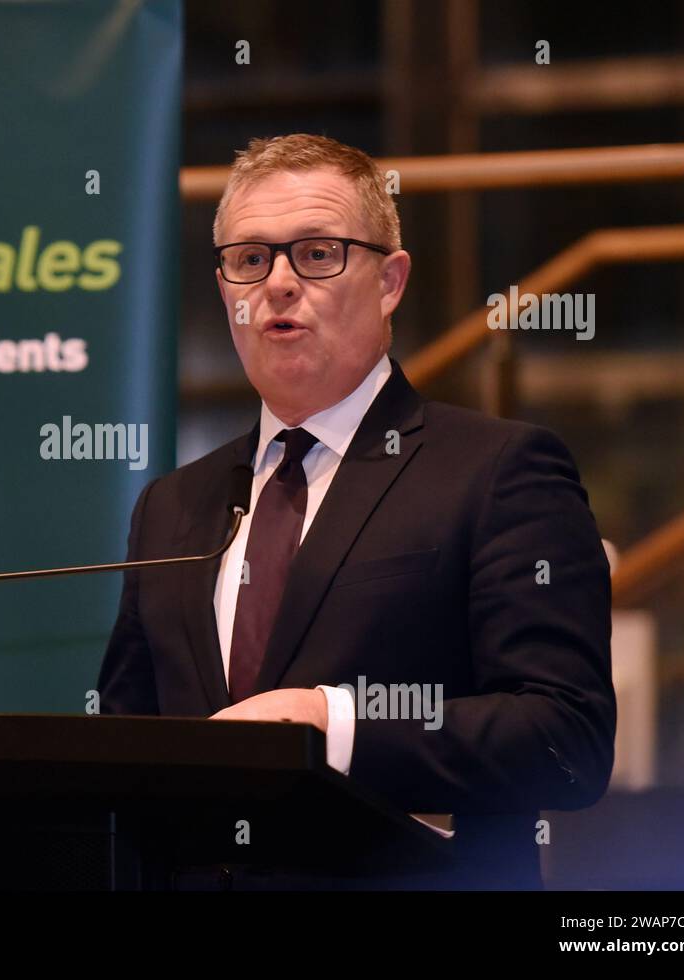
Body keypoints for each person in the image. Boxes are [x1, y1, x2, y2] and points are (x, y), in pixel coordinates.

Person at [96, 134, 616, 889]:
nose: (277, 283)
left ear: (390, 281)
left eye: (316, 254)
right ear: (225, 291)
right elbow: (129, 755)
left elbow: (565, 739)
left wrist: (330, 725)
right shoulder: (171, 506)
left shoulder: (497, 470)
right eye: (250, 259)